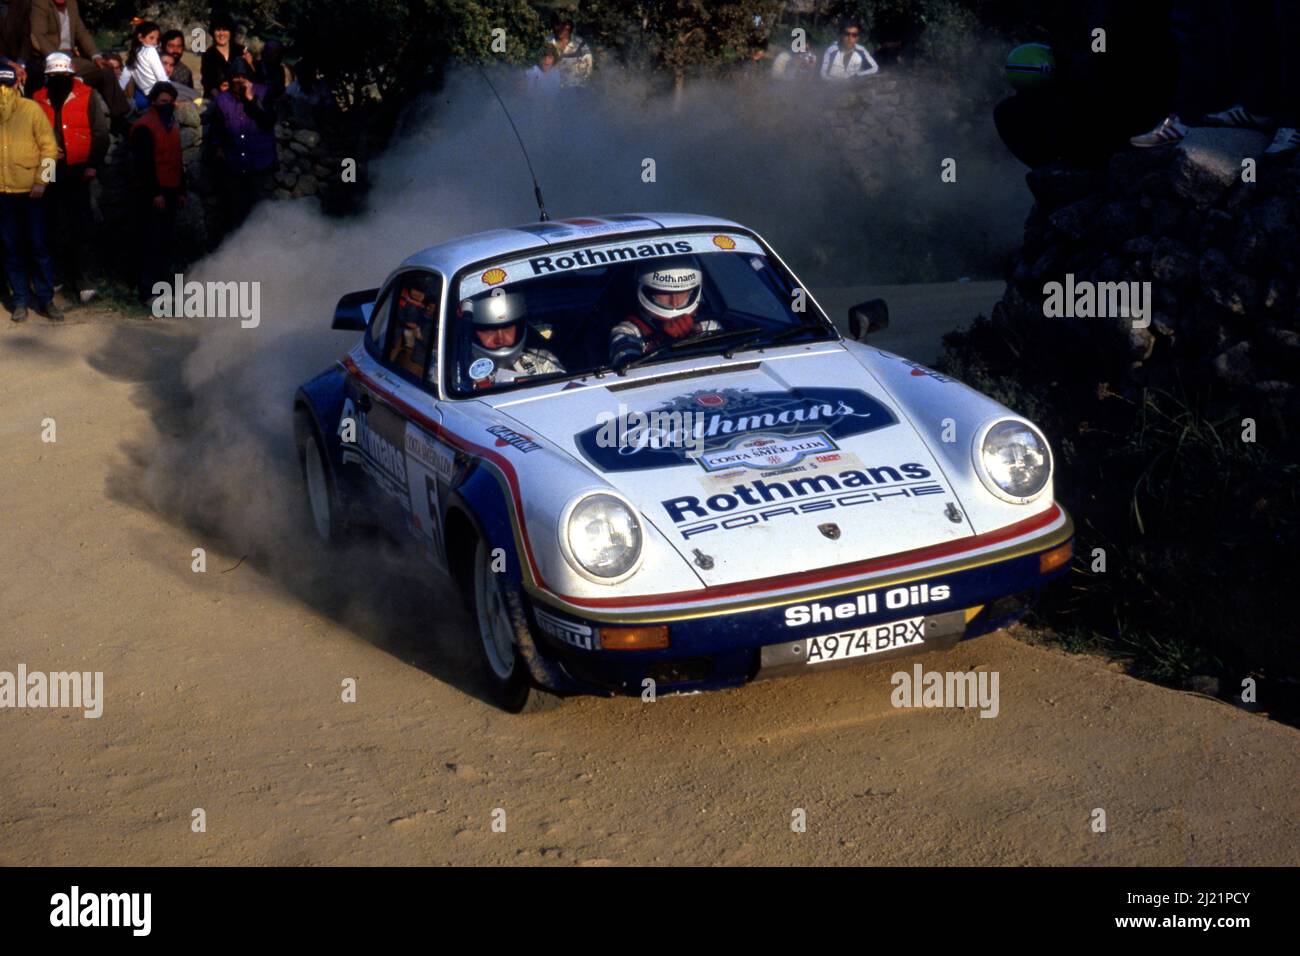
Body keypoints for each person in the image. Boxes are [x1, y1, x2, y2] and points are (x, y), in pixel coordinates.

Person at [33, 52, 106, 304]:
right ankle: (54, 279)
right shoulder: (37, 98)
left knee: (83, 226)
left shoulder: (87, 95)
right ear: (47, 76)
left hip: (79, 168)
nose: (59, 80)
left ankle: (86, 284)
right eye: (54, 76)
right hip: (50, 167)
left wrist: (93, 164)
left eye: (63, 76)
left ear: (71, 75)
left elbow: (100, 132)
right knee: (51, 224)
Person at [0, 61, 60, 322]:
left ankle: (46, 299)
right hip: (2, 192)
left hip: (32, 193)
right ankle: (20, 300)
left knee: (39, 246)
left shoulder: (31, 109)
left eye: (6, 84)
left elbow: (50, 148)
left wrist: (42, 182)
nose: (3, 90)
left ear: (16, 83)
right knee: (10, 248)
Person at [25, 0, 130, 120]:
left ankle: (121, 118)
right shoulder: (41, 4)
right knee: (63, 78)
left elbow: (81, 32)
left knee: (105, 71)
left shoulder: (71, 3)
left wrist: (95, 56)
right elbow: (38, 36)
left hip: (71, 56)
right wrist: (59, 60)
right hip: (48, 58)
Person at [129, 81, 183, 305]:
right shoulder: (145, 126)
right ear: (153, 102)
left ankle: (163, 288)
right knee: (150, 242)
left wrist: (181, 190)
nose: (167, 105)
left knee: (166, 242)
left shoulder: (171, 124)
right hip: (153, 193)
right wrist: (155, 193)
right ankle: (147, 291)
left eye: (170, 102)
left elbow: (177, 160)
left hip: (171, 189)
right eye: (163, 101)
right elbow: (143, 165)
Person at [608, 258, 720, 366]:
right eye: (664, 293)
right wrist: (663, 342)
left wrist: (696, 335)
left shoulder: (707, 322)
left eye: (682, 292)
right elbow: (627, 368)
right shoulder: (628, 331)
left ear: (693, 291)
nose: (674, 301)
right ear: (648, 291)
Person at [210, 57, 276, 233]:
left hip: (259, 163)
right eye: (234, 76)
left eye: (243, 76)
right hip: (234, 165)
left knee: (262, 213)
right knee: (235, 214)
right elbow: (216, 128)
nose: (238, 80)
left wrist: (251, 99)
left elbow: (268, 121)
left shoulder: (264, 93)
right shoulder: (223, 100)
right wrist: (218, 148)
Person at [462, 291, 563, 387]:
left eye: (507, 328)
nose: (500, 339)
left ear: (519, 328)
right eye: (489, 330)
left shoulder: (541, 362)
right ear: (472, 332)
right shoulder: (458, 377)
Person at [388, 281, 438, 377]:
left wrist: (419, 334)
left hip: (419, 362)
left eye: (432, 308)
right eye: (428, 307)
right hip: (406, 354)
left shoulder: (434, 325)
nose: (429, 309)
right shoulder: (416, 309)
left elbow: (432, 344)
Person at [199, 13, 246, 98]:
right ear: (213, 32)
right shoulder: (208, 55)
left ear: (231, 32)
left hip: (240, 98)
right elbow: (208, 83)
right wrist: (222, 100)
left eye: (225, 30)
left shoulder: (241, 51)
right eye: (218, 30)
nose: (221, 34)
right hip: (216, 99)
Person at [123, 20, 167, 109]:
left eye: (157, 39)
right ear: (140, 37)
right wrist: (168, 93)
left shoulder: (133, 56)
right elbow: (161, 76)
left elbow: (123, 79)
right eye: (151, 38)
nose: (155, 42)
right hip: (159, 91)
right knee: (192, 94)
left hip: (145, 94)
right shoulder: (150, 51)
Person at [547, 14, 591, 87]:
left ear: (570, 25)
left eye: (564, 24)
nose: (560, 28)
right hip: (550, 91)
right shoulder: (546, 42)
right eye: (557, 24)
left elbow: (587, 71)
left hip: (575, 91)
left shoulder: (580, 45)